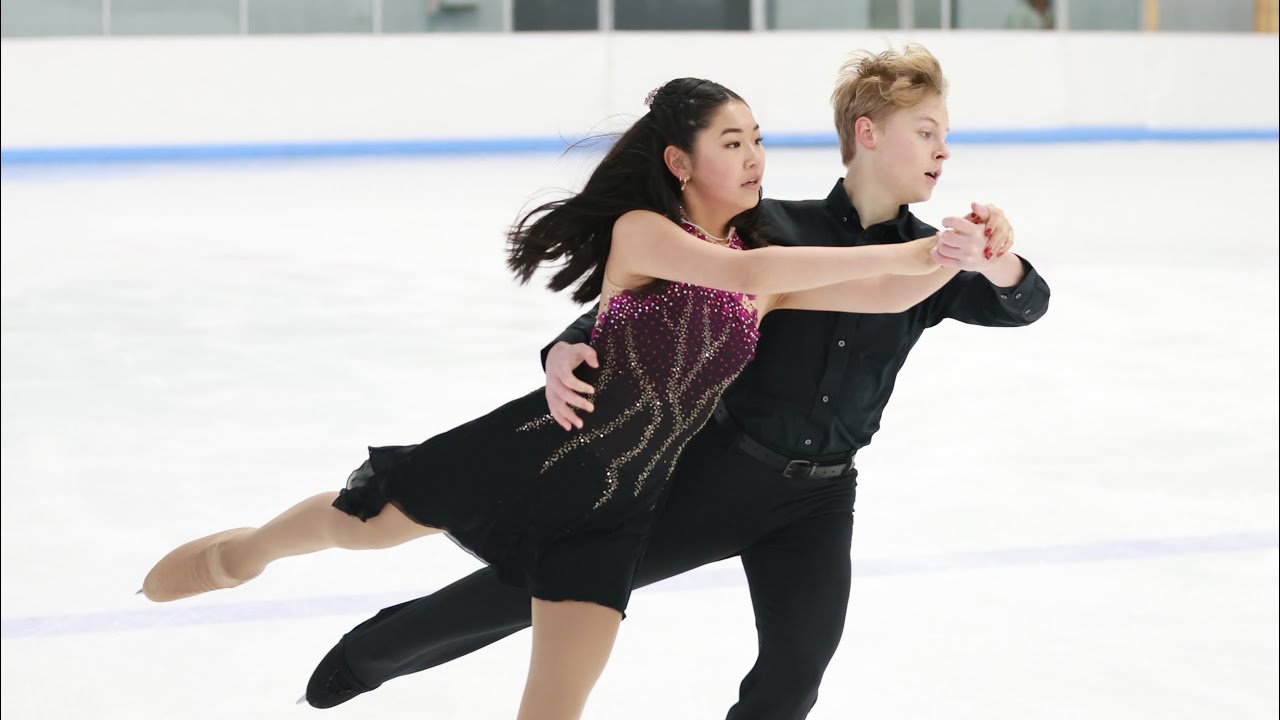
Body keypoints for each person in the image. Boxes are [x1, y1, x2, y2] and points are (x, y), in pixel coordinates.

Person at [141, 76, 983, 719]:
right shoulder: (648, 236)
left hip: (617, 507)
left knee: (554, 708)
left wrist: (956, 255)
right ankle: (245, 554)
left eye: (758, 138)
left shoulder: (765, 261)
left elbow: (873, 296)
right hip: (535, 451)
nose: (756, 157)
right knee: (360, 526)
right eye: (732, 142)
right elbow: (746, 274)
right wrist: (914, 257)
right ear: (679, 162)